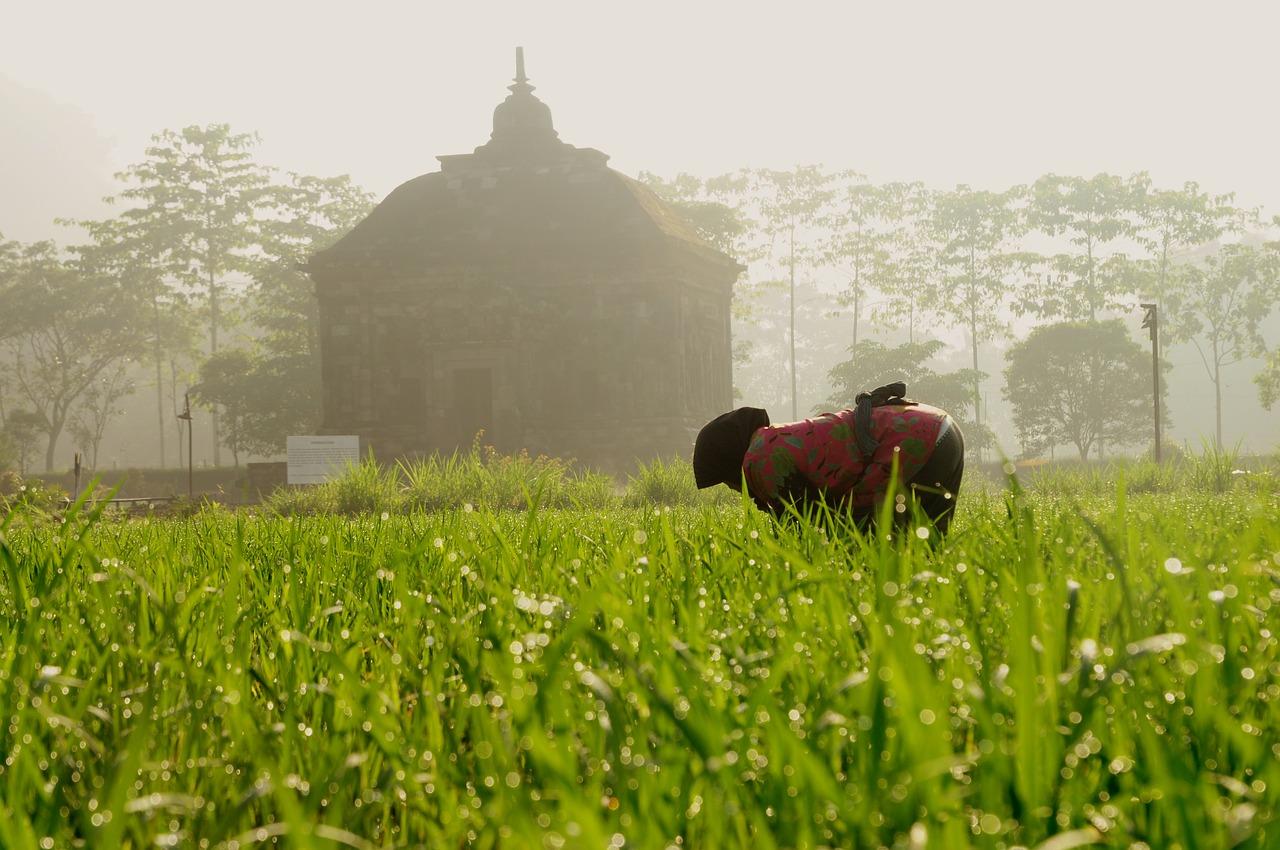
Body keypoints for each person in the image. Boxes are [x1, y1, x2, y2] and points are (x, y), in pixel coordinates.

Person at [692, 382, 965, 534]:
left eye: (728, 484)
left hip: (911, 440)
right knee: (927, 545)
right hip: (941, 428)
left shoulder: (759, 457)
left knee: (878, 542)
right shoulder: (780, 440)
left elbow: (806, 523)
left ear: (731, 463)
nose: (735, 491)